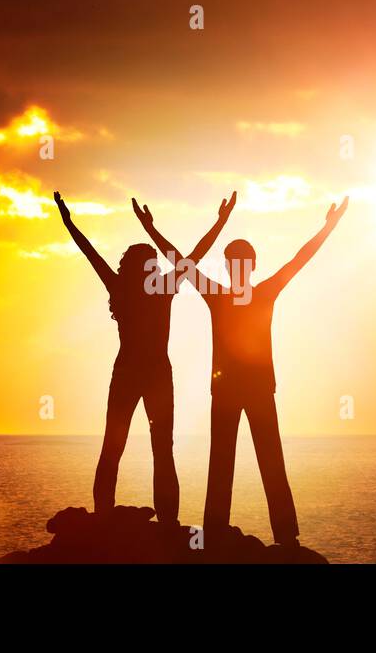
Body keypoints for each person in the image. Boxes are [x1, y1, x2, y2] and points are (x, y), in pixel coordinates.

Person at [139, 196, 348, 546]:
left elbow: (300, 259)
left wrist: (329, 226)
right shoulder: (228, 295)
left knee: (263, 460)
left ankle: (276, 534)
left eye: (241, 262)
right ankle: (230, 531)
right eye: (233, 262)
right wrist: (151, 230)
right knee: (231, 461)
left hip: (252, 389)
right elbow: (182, 262)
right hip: (233, 389)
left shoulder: (249, 294)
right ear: (232, 265)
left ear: (249, 266)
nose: (237, 267)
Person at [56, 190, 236, 525]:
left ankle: (110, 520)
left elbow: (91, 253)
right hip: (151, 375)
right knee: (157, 450)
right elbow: (193, 256)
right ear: (146, 267)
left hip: (131, 373)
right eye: (151, 262)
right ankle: (165, 524)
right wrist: (220, 221)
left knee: (118, 447)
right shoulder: (159, 288)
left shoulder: (126, 287)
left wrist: (69, 223)